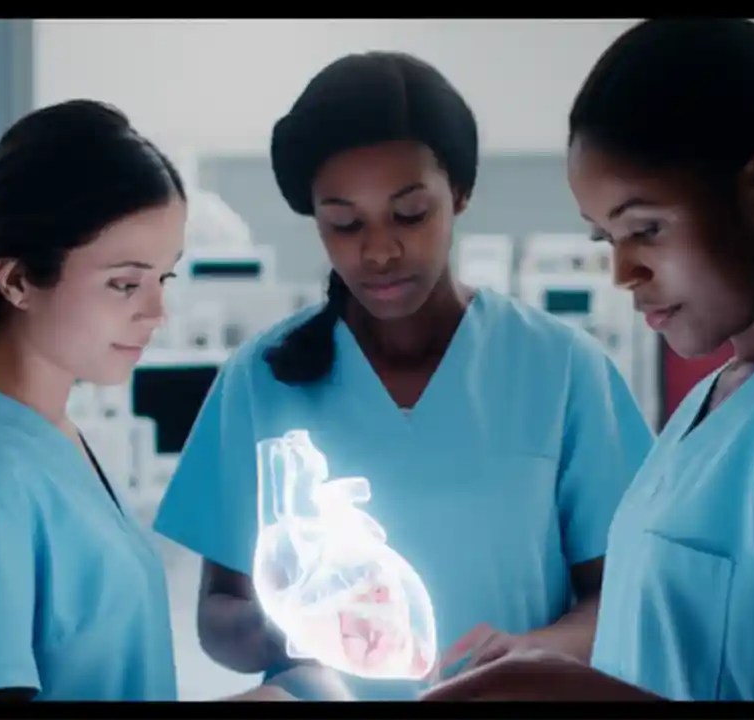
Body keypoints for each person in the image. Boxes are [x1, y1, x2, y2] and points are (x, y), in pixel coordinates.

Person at [422, 18, 754, 702]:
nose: (623, 271)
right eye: (606, 238)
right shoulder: (716, 402)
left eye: (645, 229)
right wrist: (559, 670)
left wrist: (579, 696)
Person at [152, 51, 654, 701]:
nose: (380, 250)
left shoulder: (560, 369)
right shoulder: (262, 380)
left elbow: (622, 596)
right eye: (344, 222)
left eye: (410, 214)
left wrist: (532, 651)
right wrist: (298, 625)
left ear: (460, 194)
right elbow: (218, 617)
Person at [0, 99, 239, 702]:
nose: (156, 312)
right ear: (16, 281)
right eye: (124, 283)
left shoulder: (44, 432)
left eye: (162, 279)